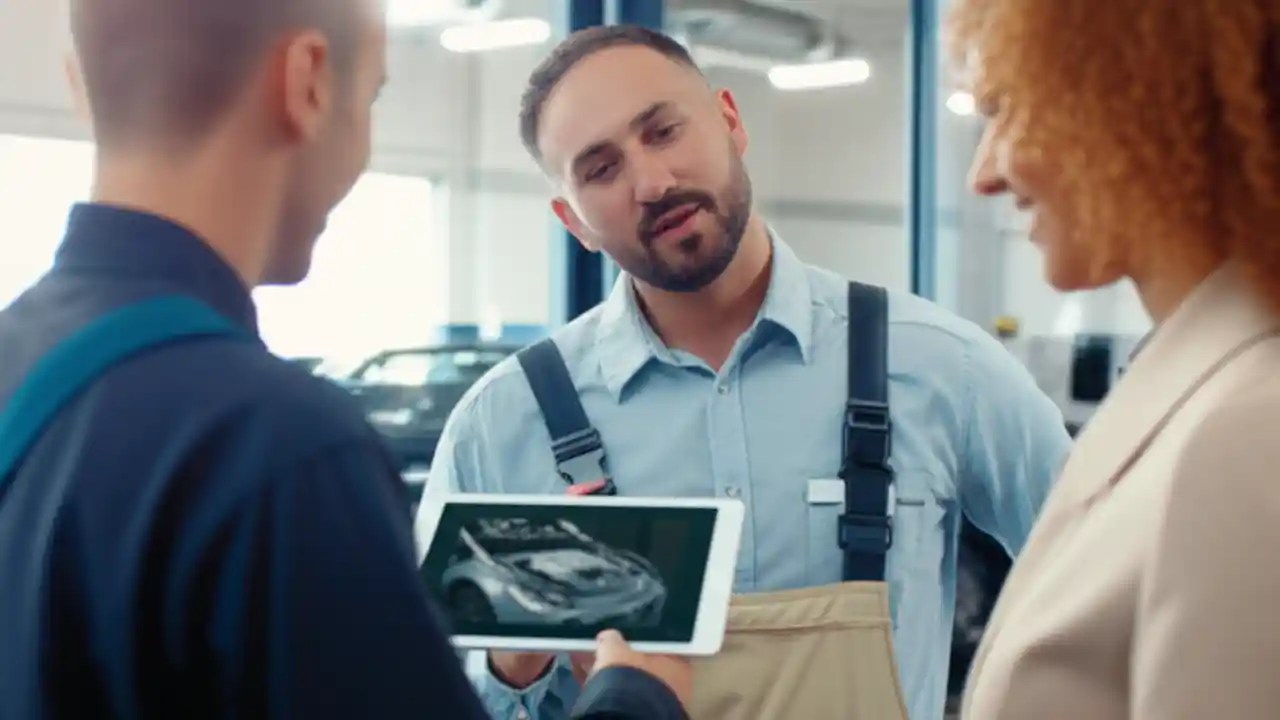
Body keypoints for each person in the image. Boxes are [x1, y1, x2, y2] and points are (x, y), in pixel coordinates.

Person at [0, 1, 692, 718]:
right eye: (371, 98)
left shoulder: (23, 367)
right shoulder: (276, 448)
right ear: (306, 82)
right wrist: (637, 699)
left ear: (79, 84)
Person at [417, 24, 1073, 720]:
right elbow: (426, 696)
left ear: (730, 121)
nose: (653, 182)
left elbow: (1109, 580)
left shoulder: (942, 367)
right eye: (600, 170)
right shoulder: (498, 428)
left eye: (665, 130)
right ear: (571, 220)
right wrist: (513, 658)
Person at [947, 0, 1280, 718]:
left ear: (1136, 106)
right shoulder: (1198, 387)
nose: (984, 174)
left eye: (1008, 111)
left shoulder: (1247, 429)